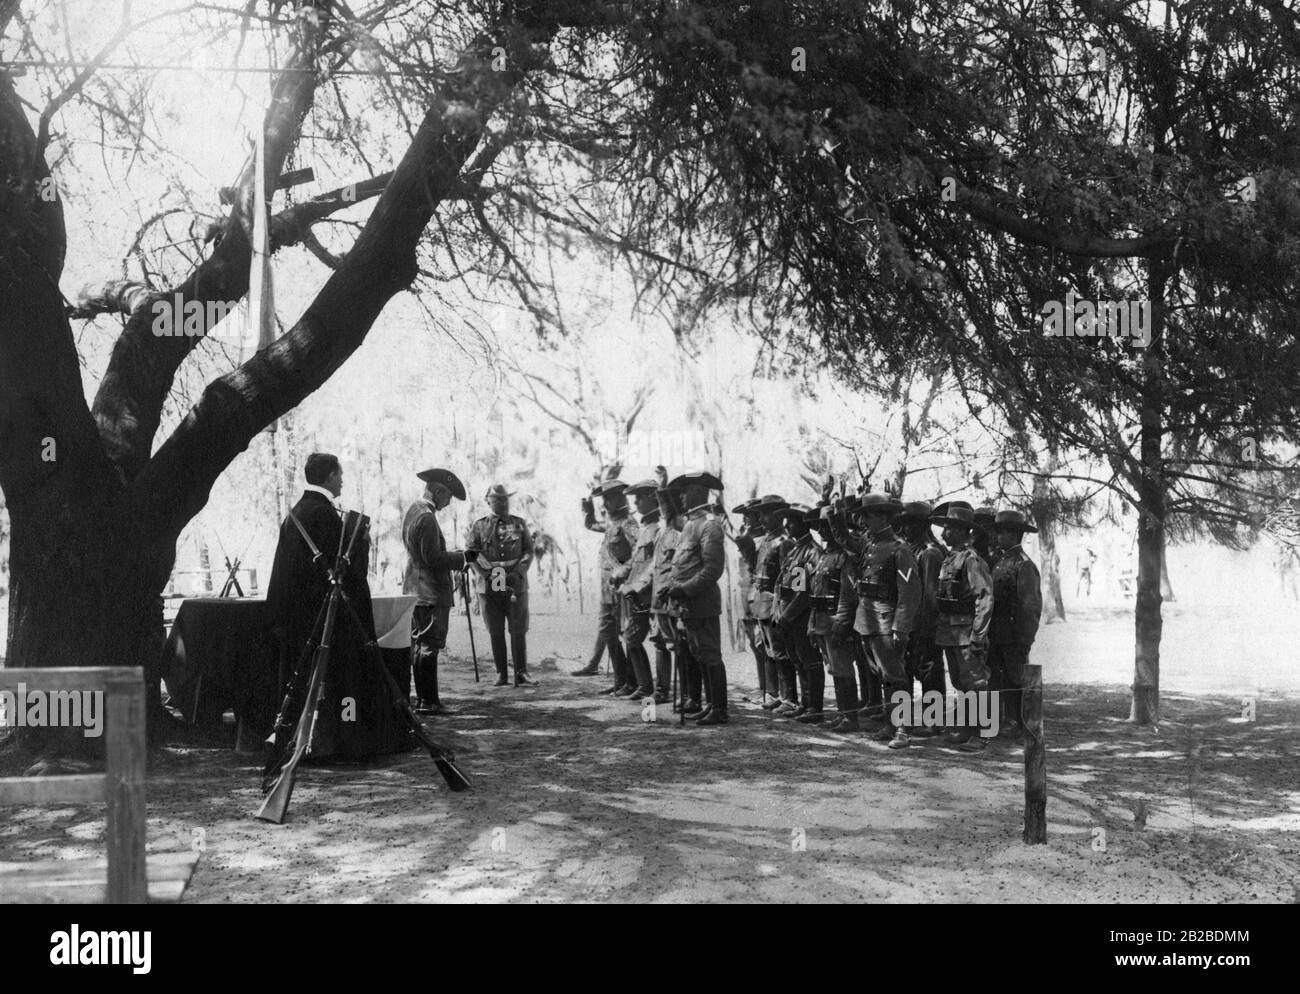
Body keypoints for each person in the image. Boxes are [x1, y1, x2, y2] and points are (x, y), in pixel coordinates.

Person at [266, 452, 392, 758]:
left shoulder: (293, 515)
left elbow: (282, 574)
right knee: (344, 683)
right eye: (340, 474)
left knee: (302, 683)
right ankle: (344, 738)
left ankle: (295, 740)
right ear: (330, 477)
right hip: (329, 619)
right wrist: (361, 540)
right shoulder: (326, 515)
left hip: (298, 620)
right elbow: (348, 571)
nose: (343, 480)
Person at [828, 493, 920, 749]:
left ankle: (903, 729)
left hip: (885, 621)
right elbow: (845, 540)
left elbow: (909, 592)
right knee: (883, 675)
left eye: (867, 516)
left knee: (896, 676)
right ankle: (891, 724)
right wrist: (836, 515)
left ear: (881, 516)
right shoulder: (869, 544)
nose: (863, 521)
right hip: (867, 619)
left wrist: (901, 627)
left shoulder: (900, 549)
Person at [402, 467, 479, 716]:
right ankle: (429, 702)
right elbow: (433, 559)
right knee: (428, 646)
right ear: (436, 491)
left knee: (420, 645)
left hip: (417, 590)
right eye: (447, 497)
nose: (447, 503)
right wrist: (461, 558)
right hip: (430, 592)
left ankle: (426, 699)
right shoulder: (426, 517)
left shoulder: (414, 510)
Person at [661, 472, 730, 726]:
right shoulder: (689, 525)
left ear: (696, 493)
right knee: (699, 654)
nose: (680, 496)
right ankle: (710, 704)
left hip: (702, 603)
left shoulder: (709, 525)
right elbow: (682, 565)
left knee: (710, 655)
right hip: (688, 605)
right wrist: (674, 589)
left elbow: (712, 570)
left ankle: (720, 709)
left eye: (684, 491)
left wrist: (685, 590)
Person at [930, 501, 994, 753]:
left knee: (976, 683)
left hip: (967, 632)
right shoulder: (950, 559)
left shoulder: (971, 560)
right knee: (960, 681)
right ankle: (967, 729)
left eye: (948, 528)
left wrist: (979, 634)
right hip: (950, 631)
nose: (943, 533)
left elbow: (985, 597)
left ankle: (983, 735)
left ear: (960, 531)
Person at [466, 484, 537, 688]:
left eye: (505, 499)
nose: (502, 503)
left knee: (518, 630)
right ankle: (501, 673)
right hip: (490, 585)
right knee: (496, 630)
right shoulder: (479, 526)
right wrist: (486, 574)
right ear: (488, 501)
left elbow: (528, 551)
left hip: (515, 583)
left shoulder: (519, 523)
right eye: (497, 500)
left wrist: (519, 572)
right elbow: (470, 553)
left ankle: (521, 672)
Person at [572, 480, 638, 691]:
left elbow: (639, 556)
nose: (605, 503)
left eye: (608, 498)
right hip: (607, 591)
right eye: (604, 499)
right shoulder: (612, 523)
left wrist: (623, 573)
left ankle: (631, 681)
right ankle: (620, 680)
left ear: (621, 498)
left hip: (622, 589)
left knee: (626, 636)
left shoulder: (628, 523)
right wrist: (588, 512)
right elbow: (591, 525)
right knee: (608, 633)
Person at [989, 509, 1043, 743]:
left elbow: (1030, 605)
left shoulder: (1024, 565)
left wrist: (1025, 638)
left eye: (1004, 533)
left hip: (1014, 634)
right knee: (1003, 679)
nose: (999, 537)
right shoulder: (1000, 563)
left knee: (1018, 678)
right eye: (998, 532)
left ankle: (1024, 726)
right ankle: (1011, 722)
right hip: (998, 632)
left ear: (1015, 535)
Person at [805, 503, 859, 732]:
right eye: (819, 526)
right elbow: (814, 591)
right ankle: (841, 713)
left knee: (844, 669)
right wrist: (811, 624)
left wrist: (841, 625)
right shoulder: (824, 556)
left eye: (825, 526)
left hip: (836, 621)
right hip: (821, 620)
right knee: (835, 670)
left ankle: (850, 717)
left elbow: (848, 596)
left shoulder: (845, 557)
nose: (821, 530)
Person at [895, 500, 946, 736]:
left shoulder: (930, 553)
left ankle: (933, 721)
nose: (905, 529)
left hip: (925, 625)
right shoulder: (911, 550)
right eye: (903, 524)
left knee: (930, 671)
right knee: (906, 670)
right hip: (910, 622)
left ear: (922, 525)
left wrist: (924, 629)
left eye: (910, 524)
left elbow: (930, 596)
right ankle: (905, 721)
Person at [612, 479, 662, 700]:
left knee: (639, 639)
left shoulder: (658, 529)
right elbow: (634, 561)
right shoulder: (645, 529)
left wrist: (638, 586)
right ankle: (643, 685)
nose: (636, 502)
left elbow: (655, 564)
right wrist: (620, 574)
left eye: (640, 497)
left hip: (646, 594)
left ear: (653, 498)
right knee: (630, 638)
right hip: (634, 593)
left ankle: (648, 687)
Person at [773, 504, 822, 720]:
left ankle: (814, 708)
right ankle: (804, 703)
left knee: (809, 659)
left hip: (800, 615)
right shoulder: (795, 549)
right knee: (797, 659)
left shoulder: (810, 551)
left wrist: (787, 615)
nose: (787, 525)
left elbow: (802, 592)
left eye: (791, 521)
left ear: (803, 523)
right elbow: (786, 585)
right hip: (790, 613)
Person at [749, 494, 792, 710]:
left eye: (766, 513)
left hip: (775, 603)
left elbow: (790, 579)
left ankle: (788, 697)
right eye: (761, 514)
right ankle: (772, 693)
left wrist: (782, 606)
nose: (762, 518)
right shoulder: (766, 541)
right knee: (767, 650)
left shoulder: (784, 543)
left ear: (779, 515)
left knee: (781, 652)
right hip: (761, 602)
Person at [729, 498, 770, 706]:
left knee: (762, 644)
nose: (745, 518)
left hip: (757, 596)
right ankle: (763, 688)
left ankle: (769, 690)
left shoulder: (764, 540)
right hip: (743, 596)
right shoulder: (745, 539)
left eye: (749, 513)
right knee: (755, 646)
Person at [650, 485, 684, 705]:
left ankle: (686, 693)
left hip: (671, 598)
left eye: (665, 506)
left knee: (677, 645)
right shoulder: (661, 533)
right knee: (659, 643)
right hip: (657, 598)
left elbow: (678, 568)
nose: (662, 510)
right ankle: (661, 690)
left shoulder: (680, 534)